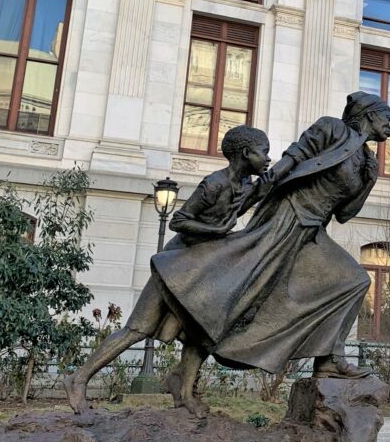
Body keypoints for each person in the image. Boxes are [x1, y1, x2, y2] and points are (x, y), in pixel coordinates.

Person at [63, 125, 271, 415]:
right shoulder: (214, 184)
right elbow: (179, 221)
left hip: (204, 266)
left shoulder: (248, 187)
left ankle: (183, 391)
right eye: (265, 153)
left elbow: (277, 179)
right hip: (176, 265)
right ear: (247, 153)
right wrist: (216, 229)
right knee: (138, 328)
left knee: (203, 332)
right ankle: (78, 378)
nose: (268, 159)